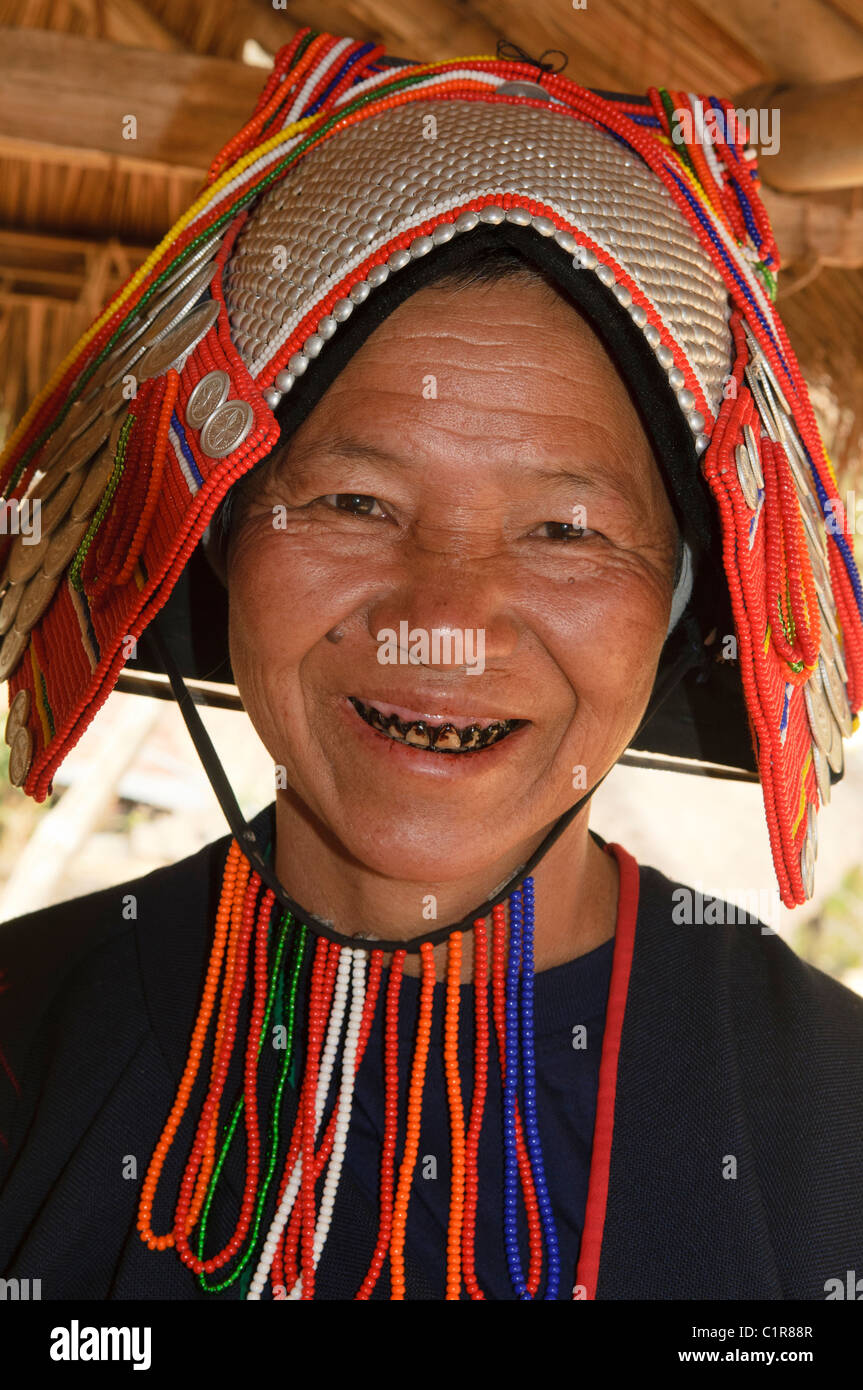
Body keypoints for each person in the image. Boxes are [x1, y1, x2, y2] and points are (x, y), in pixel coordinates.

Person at [0, 29, 861, 1301]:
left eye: (565, 531)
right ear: (221, 537)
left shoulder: (826, 1123)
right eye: (352, 502)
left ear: (676, 609)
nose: (444, 620)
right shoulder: (25, 1044)